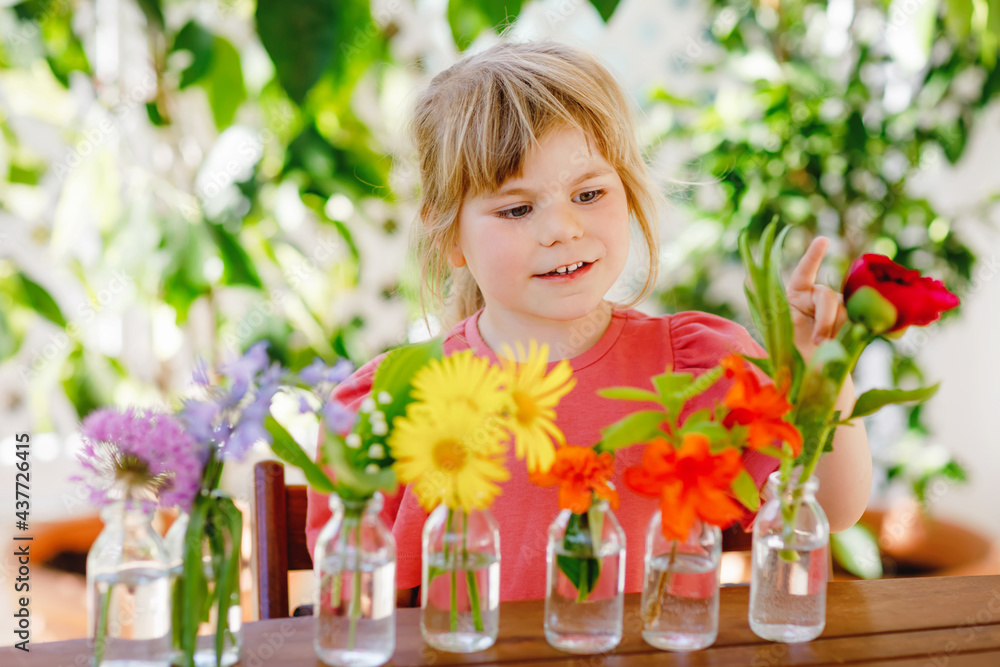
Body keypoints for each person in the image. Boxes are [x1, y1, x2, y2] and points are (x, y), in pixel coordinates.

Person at [305, 39, 872, 605]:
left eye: (589, 193)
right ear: (449, 234)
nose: (562, 229)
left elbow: (836, 507)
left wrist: (819, 370)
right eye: (518, 209)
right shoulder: (395, 399)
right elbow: (352, 601)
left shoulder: (697, 367)